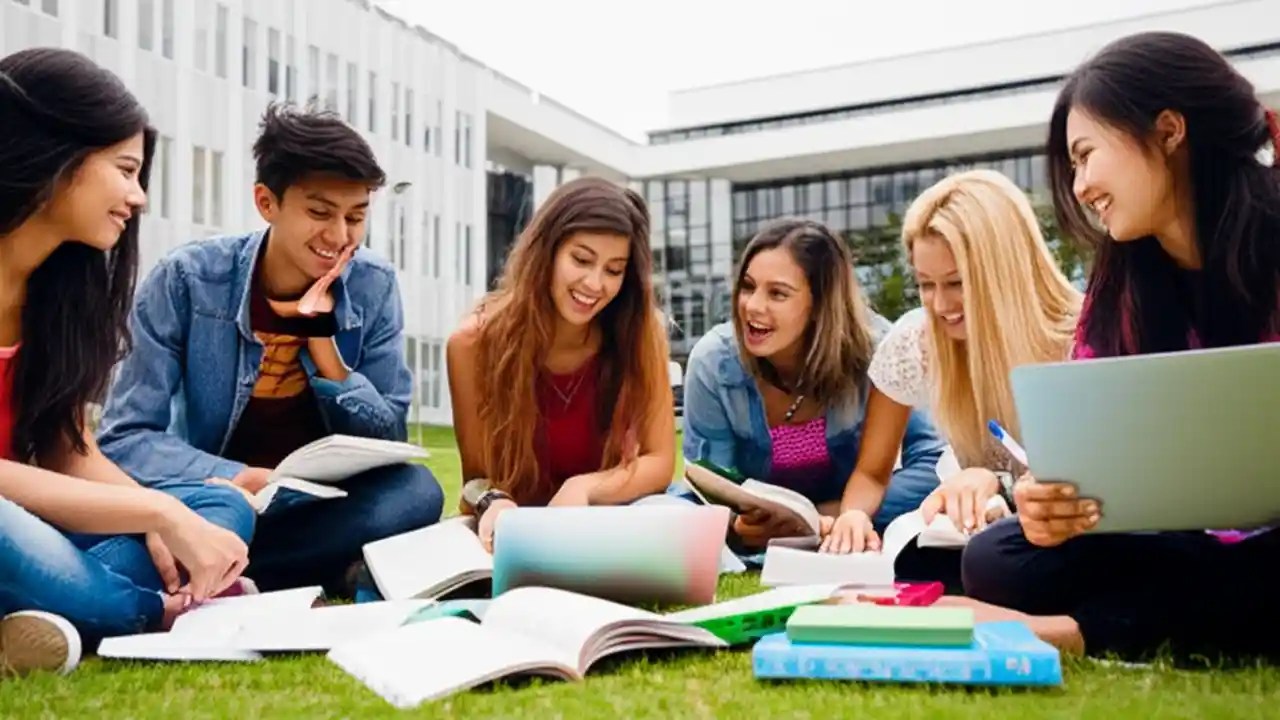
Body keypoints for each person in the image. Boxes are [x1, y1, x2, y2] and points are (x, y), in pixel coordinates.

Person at [957, 31, 1280, 659]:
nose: (1079, 187)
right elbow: (1086, 454)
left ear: (1167, 131)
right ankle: (1192, 612)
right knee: (997, 557)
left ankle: (1089, 630)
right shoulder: (1122, 285)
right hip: (1185, 537)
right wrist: (1046, 504)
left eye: (1086, 155)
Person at [97, 104, 443, 595]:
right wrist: (237, 476)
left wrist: (325, 345)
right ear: (267, 202)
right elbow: (127, 436)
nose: (340, 237)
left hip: (315, 504)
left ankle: (229, 570)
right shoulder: (188, 280)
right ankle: (311, 568)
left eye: (356, 217)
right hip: (212, 497)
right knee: (213, 516)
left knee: (415, 492)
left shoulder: (373, 285)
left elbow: (388, 436)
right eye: (320, 213)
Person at [0, 47, 252, 672]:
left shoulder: (56, 295)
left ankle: (49, 613)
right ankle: (152, 612)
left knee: (221, 508)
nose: (137, 197)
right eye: (125, 169)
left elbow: (68, 448)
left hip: (30, 527)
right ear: (57, 156)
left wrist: (165, 519)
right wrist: (152, 510)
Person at [823, 170, 1081, 558]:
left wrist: (996, 483)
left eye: (957, 283)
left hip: (1070, 525)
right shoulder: (916, 342)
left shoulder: (1081, 339)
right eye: (926, 285)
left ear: (1002, 271)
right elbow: (872, 472)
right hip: (984, 530)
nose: (941, 305)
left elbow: (1090, 482)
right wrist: (854, 516)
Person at [682, 218, 946, 556]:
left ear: (821, 305)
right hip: (758, 524)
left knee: (932, 492)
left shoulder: (883, 349)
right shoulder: (715, 363)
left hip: (855, 510)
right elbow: (710, 481)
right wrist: (737, 526)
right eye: (748, 287)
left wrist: (835, 516)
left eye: (777, 293)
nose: (752, 306)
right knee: (674, 513)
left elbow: (931, 461)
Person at [448, 177, 675, 551]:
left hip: (607, 517)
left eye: (614, 270)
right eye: (581, 260)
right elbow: (476, 480)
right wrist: (494, 501)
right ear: (547, 252)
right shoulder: (472, 344)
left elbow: (660, 460)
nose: (595, 283)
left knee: (672, 516)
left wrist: (585, 486)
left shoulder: (641, 332)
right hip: (524, 529)